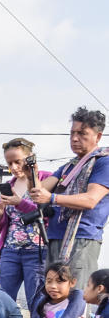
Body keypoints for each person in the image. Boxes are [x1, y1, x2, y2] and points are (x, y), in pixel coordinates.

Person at [29, 107, 109, 288]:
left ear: (97, 136)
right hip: (56, 235)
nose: (74, 138)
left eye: (82, 134)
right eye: (72, 133)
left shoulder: (104, 161)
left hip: (82, 238)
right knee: (52, 297)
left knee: (76, 296)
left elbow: (91, 200)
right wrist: (31, 175)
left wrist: (52, 198)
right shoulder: (68, 166)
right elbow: (38, 191)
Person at [0, 136, 48, 307]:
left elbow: (47, 213)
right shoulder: (10, 185)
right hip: (10, 250)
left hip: (37, 251)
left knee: (36, 302)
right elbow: (1, 228)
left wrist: (20, 203)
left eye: (17, 161)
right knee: (1, 300)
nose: (14, 168)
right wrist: (0, 214)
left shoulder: (46, 179)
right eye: (9, 164)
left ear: (30, 158)